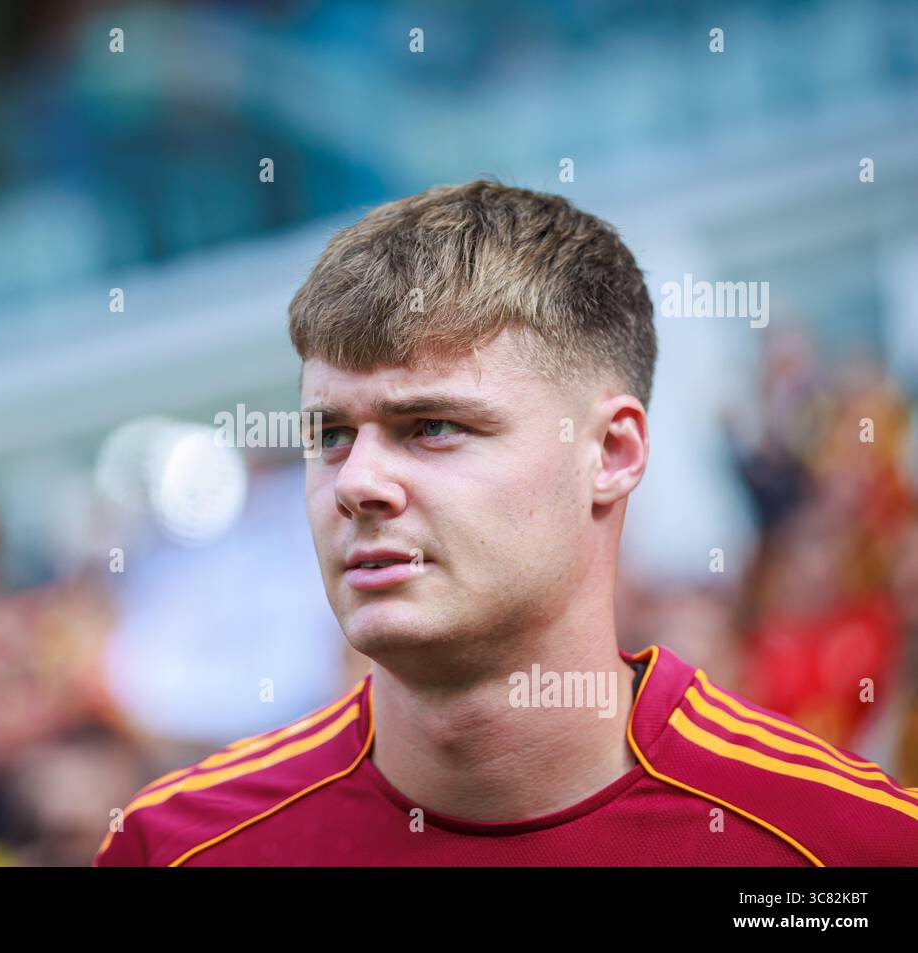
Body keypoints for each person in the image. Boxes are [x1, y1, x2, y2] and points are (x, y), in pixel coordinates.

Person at [93, 179, 918, 866]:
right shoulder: (173, 849)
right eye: (330, 435)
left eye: (434, 426)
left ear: (612, 451)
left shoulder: (844, 849)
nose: (357, 483)